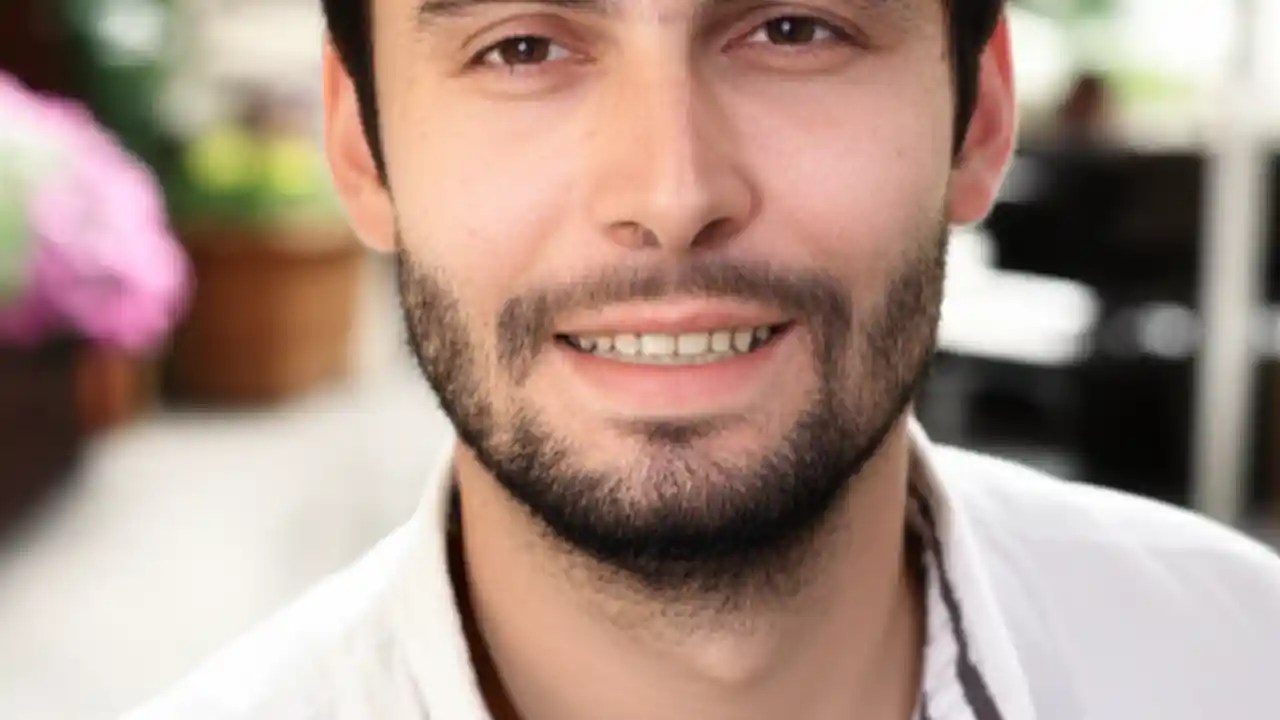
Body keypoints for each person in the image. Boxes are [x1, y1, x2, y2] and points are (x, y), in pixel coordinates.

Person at [128, 1, 1280, 718]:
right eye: (521, 46)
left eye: (793, 29)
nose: (670, 195)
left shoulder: (1240, 662)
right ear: (361, 149)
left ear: (975, 118)